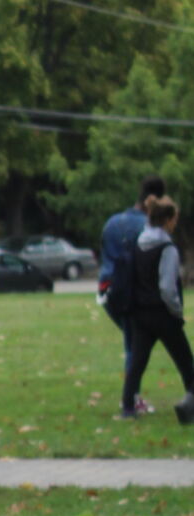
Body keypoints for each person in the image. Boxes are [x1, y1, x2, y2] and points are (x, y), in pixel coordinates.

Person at [121, 197, 194, 423]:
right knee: (185, 361)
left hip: (140, 313)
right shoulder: (167, 248)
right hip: (162, 313)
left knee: (137, 362)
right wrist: (177, 311)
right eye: (174, 220)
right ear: (168, 220)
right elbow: (167, 286)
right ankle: (189, 404)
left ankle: (128, 407)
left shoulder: (139, 243)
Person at [100, 175, 166, 414]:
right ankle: (131, 399)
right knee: (135, 347)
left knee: (136, 343)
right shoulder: (147, 228)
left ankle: (132, 397)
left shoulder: (113, 222)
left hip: (108, 292)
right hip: (133, 294)